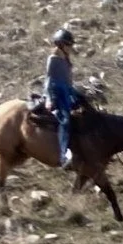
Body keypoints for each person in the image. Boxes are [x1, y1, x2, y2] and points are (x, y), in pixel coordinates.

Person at [43, 26, 82, 174]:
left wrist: (76, 95)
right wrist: (50, 98)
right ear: (61, 45)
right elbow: (49, 80)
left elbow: (69, 82)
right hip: (57, 94)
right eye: (69, 45)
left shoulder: (65, 60)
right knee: (65, 120)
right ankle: (64, 156)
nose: (71, 48)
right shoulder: (53, 60)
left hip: (68, 92)